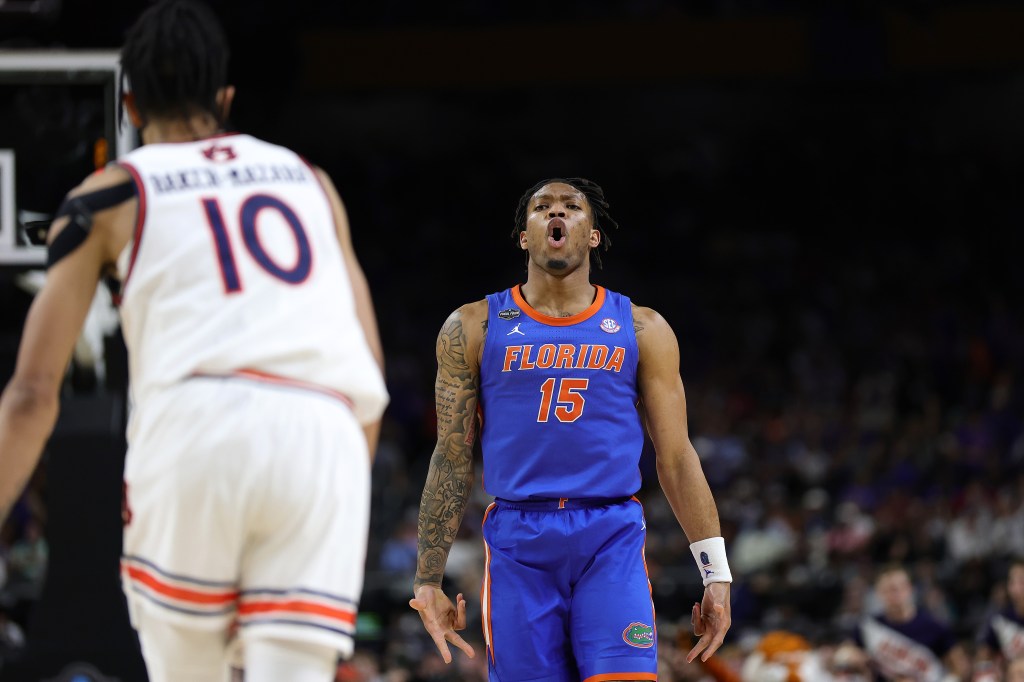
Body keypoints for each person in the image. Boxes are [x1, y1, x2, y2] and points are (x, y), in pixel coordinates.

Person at [0, 1, 388, 680]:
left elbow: (33, 394)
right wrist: (339, 498)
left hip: (196, 427)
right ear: (226, 98)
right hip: (320, 430)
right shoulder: (312, 183)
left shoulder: (106, 196)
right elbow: (370, 373)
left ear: (129, 104)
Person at [409, 177, 732, 681]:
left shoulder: (643, 327)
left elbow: (676, 457)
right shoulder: (473, 325)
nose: (556, 214)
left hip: (609, 536)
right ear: (524, 235)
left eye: (571, 207)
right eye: (542, 207)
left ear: (593, 234)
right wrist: (428, 579)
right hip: (519, 541)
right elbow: (450, 457)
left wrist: (716, 575)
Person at [849, 565, 960, 681]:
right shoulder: (867, 628)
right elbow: (850, 657)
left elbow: (959, 666)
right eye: (889, 590)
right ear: (878, 593)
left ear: (910, 588)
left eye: (899, 588)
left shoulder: (934, 626)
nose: (895, 594)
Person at [978, 559, 1024, 664]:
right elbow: (982, 658)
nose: (1016, 588)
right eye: (1012, 582)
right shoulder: (1000, 620)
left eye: (1021, 582)